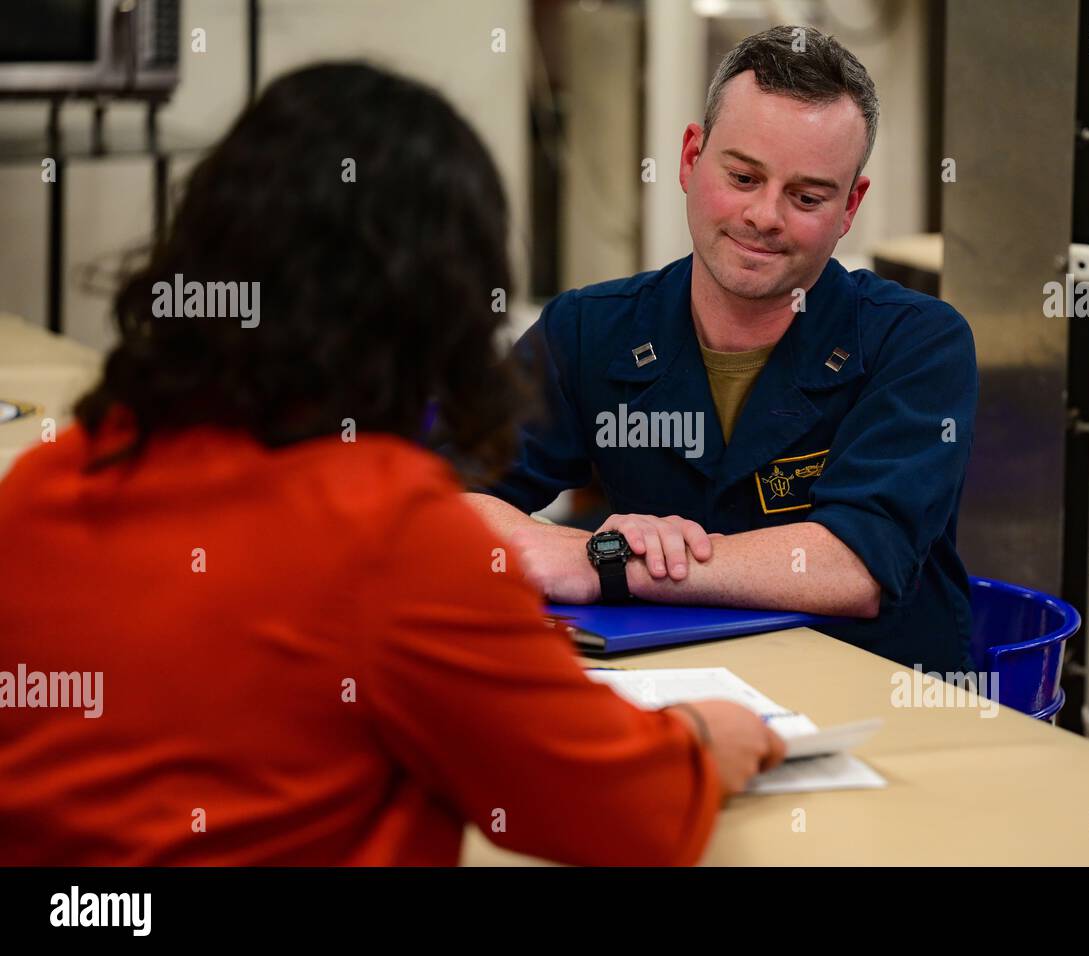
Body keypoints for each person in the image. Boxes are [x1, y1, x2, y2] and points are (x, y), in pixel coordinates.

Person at [0, 62, 784, 867]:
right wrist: (700, 735)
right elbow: (627, 811)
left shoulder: (43, 487)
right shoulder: (391, 536)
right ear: (438, 304)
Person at [466, 26, 980, 674]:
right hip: (664, 700)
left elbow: (853, 564)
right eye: (742, 176)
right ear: (690, 158)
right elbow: (440, 499)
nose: (765, 215)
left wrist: (613, 562)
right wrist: (548, 543)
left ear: (850, 206)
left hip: (881, 716)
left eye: (807, 196)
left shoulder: (918, 345)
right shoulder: (587, 331)